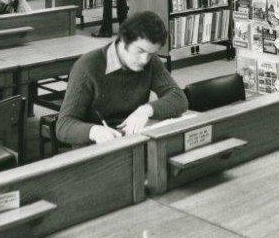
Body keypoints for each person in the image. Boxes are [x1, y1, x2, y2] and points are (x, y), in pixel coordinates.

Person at [56, 11, 187, 145]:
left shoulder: (151, 60)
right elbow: (64, 125)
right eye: (140, 51)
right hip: (95, 147)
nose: (144, 60)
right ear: (124, 40)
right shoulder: (87, 67)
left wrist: (146, 110)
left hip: (133, 139)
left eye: (151, 53)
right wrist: (93, 131)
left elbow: (178, 98)